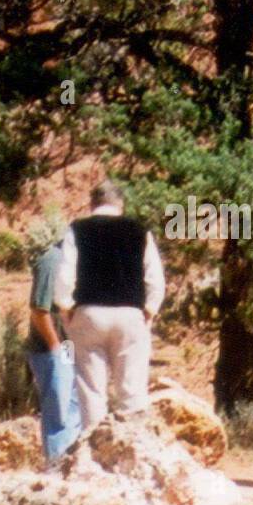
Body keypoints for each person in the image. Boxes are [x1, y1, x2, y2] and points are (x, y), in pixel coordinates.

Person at [54, 180, 165, 429]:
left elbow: (64, 275)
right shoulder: (139, 230)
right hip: (130, 313)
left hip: (89, 313)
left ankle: (95, 450)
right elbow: (155, 278)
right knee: (132, 387)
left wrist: (65, 308)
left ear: (92, 204)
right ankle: (134, 446)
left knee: (92, 388)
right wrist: (150, 310)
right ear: (121, 204)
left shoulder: (78, 229)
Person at [26, 230, 81, 461]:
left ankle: (72, 464)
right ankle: (57, 465)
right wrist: (56, 348)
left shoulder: (74, 263)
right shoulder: (53, 260)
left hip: (69, 346)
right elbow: (39, 311)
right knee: (59, 410)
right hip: (51, 348)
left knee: (74, 406)